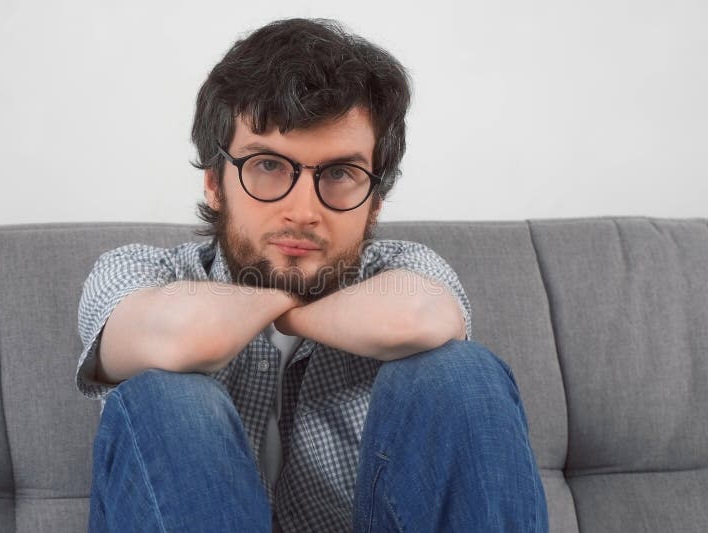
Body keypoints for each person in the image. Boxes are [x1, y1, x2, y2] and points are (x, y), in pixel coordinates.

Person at [77, 17, 548, 532]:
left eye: (341, 174)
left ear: (374, 202)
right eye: (268, 165)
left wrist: (291, 312)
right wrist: (285, 298)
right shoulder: (142, 272)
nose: (303, 211)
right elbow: (181, 336)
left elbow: (421, 316)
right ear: (214, 183)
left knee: (459, 372)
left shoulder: (399, 270)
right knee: (168, 398)